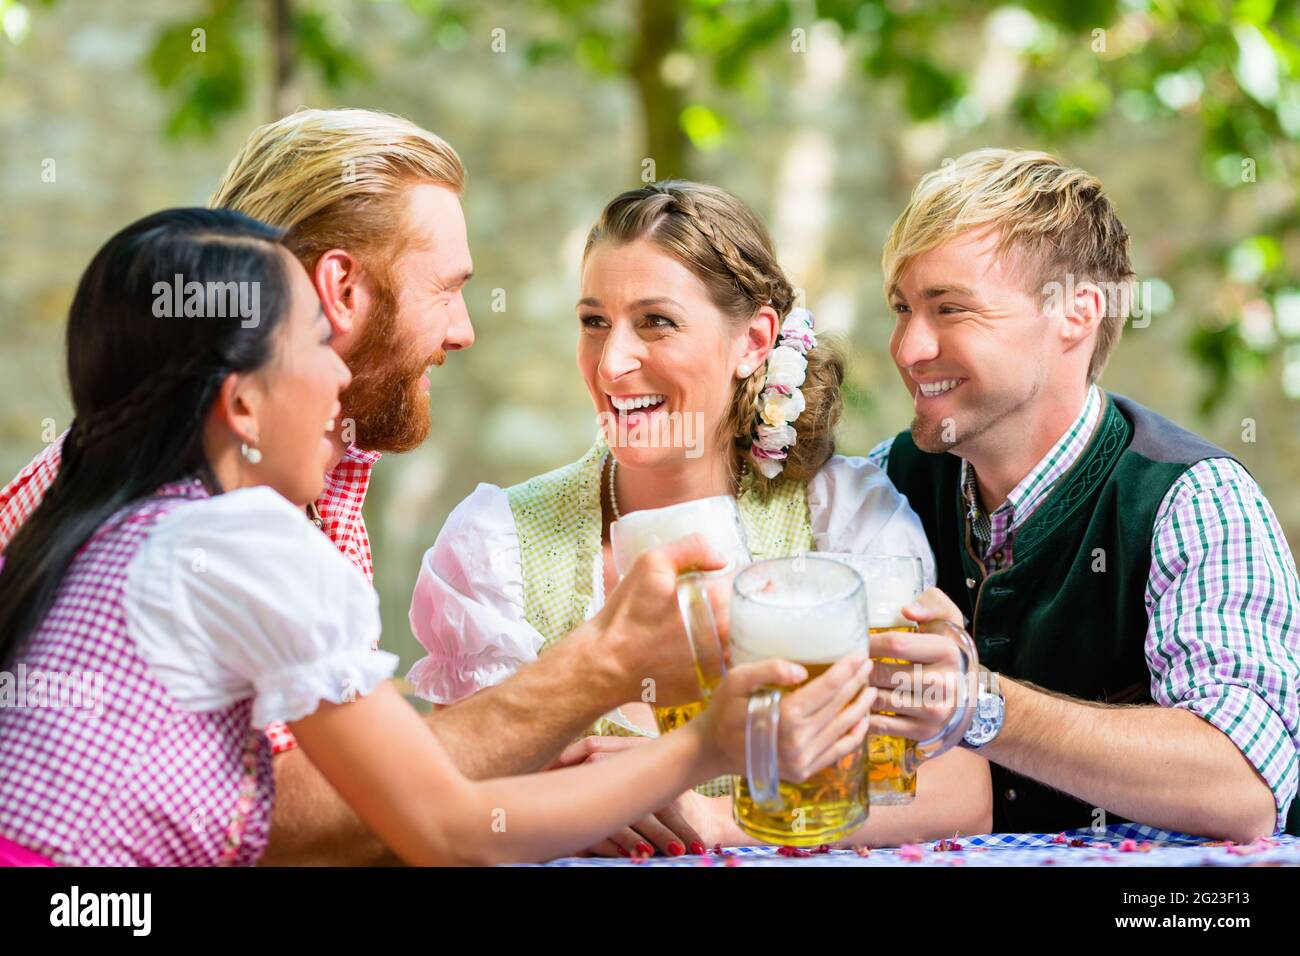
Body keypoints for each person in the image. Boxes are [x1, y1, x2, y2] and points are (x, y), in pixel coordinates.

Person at [0, 109, 849, 864]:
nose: (466, 332)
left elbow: (334, 755)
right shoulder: (235, 535)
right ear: (333, 297)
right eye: (448, 289)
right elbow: (417, 829)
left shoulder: (121, 509)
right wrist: (667, 717)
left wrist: (523, 753)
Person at [409, 180, 991, 853]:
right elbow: (431, 795)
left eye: (656, 321)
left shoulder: (844, 515)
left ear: (754, 341)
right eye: (594, 321)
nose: (612, 362)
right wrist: (553, 798)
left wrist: (714, 820)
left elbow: (959, 789)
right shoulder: (496, 543)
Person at [868, 148, 1300, 840]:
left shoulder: (1191, 498)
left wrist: (981, 706)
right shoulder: (880, 486)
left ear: (1076, 313)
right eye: (901, 308)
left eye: (949, 309)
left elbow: (1242, 783)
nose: (908, 347)